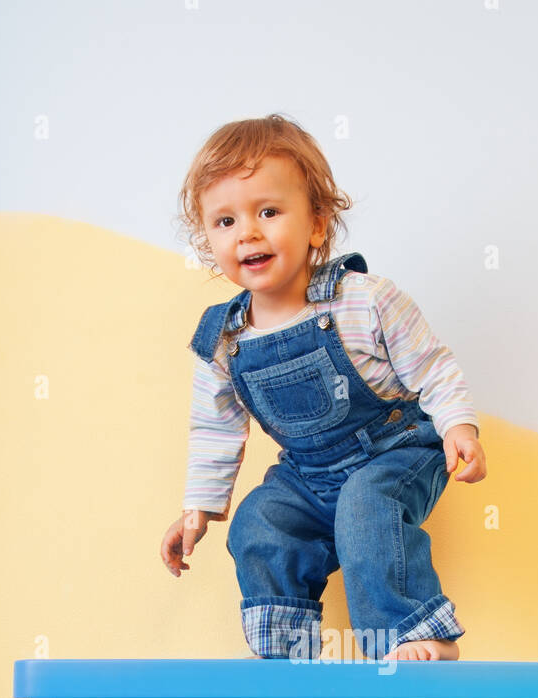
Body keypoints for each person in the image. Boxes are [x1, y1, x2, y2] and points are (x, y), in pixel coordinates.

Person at [161, 113, 487, 661]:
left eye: (268, 211)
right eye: (224, 221)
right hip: (307, 474)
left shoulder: (363, 299)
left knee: (366, 506)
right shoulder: (224, 338)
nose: (248, 232)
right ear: (207, 239)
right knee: (260, 520)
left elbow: (431, 366)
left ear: (316, 224)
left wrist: (458, 426)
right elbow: (214, 428)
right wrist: (198, 507)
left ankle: (412, 631)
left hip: (396, 450)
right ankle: (287, 655)